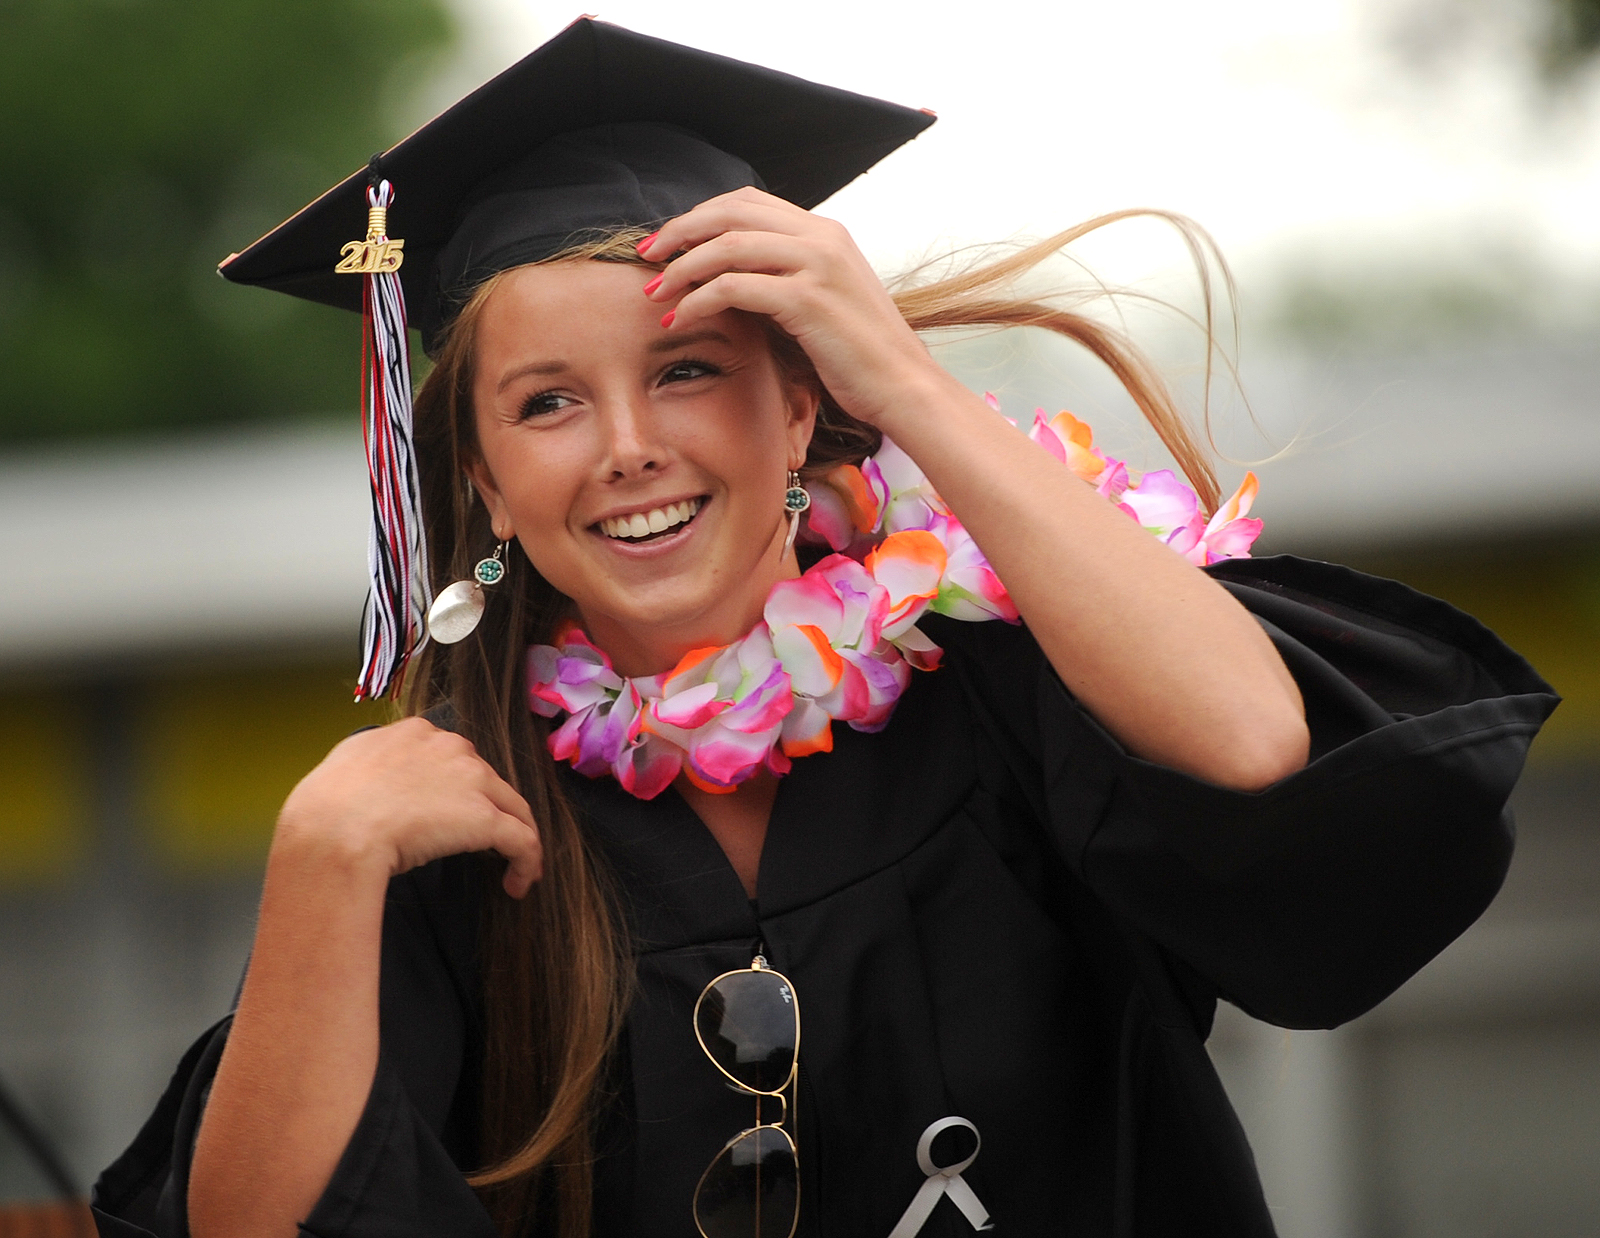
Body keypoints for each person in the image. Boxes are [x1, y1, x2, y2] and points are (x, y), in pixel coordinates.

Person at [91, 18, 1556, 1238]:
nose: (627, 448)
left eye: (687, 370)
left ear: (801, 407)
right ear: (481, 481)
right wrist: (320, 861)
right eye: (547, 402)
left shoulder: (998, 673)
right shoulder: (460, 827)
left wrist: (907, 383)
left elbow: (1253, 748)